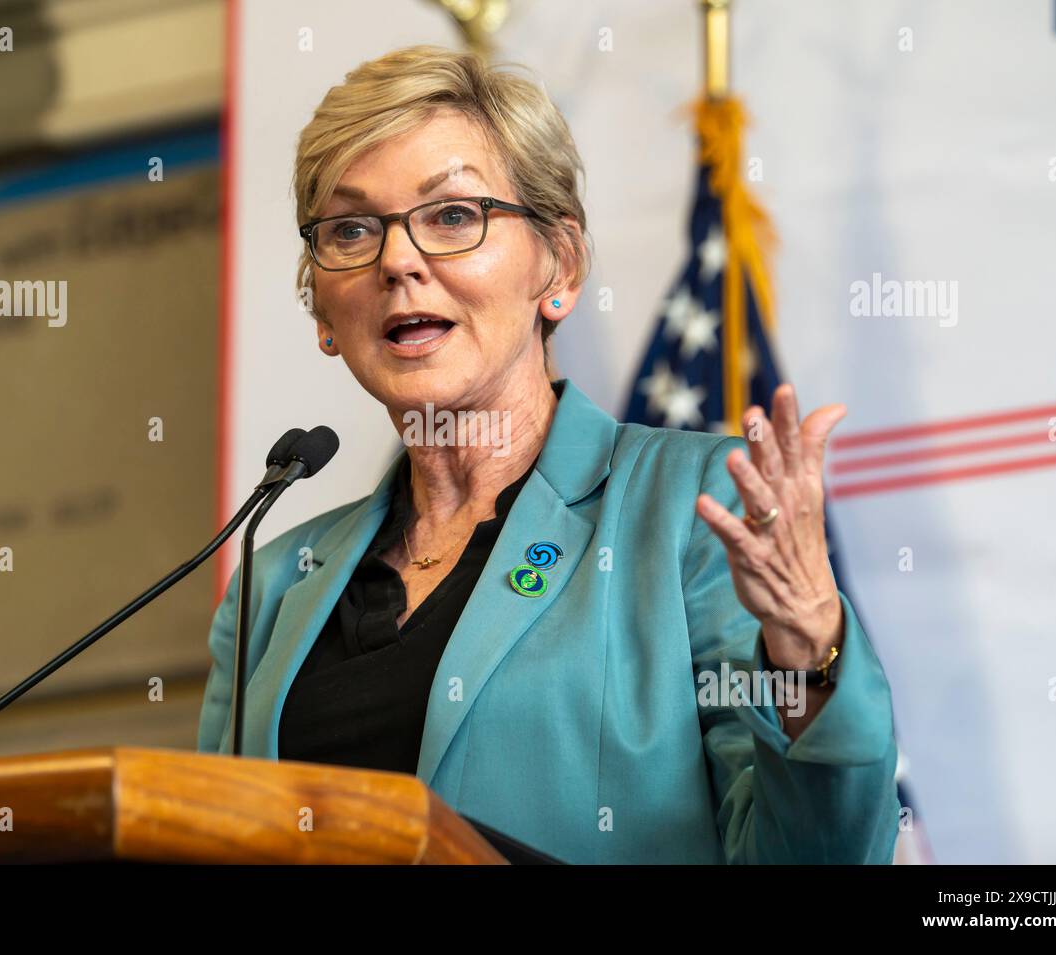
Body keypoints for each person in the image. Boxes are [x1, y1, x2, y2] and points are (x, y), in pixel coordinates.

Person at [197, 45, 900, 864]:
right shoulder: (276, 580)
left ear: (558, 265)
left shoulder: (695, 509)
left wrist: (810, 655)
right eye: (352, 229)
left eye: (453, 215)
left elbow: (813, 856)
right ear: (322, 308)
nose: (397, 260)